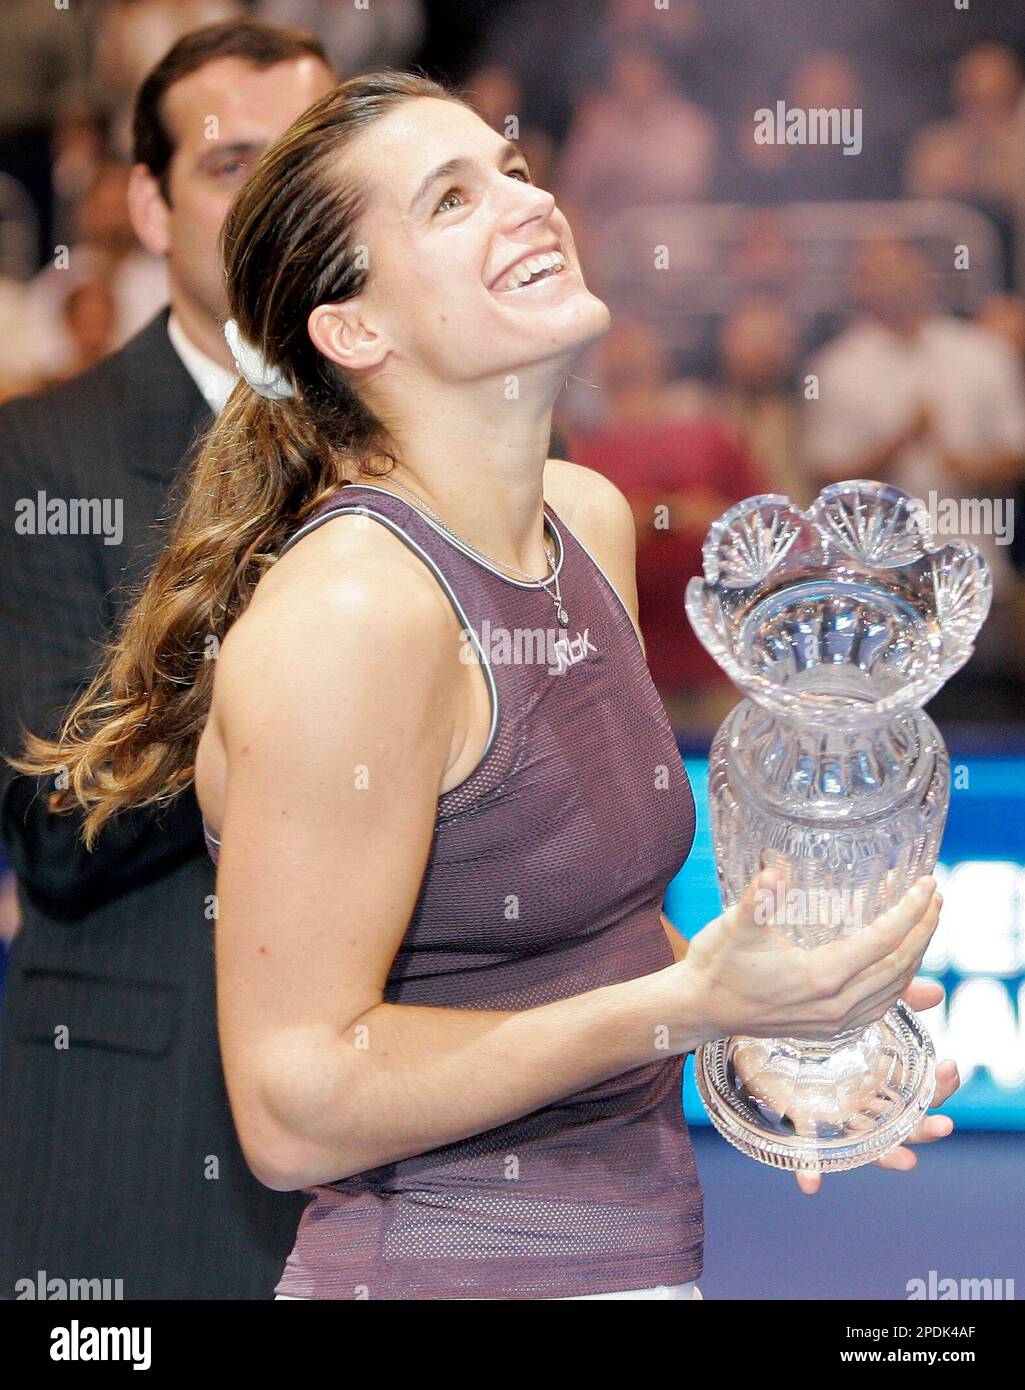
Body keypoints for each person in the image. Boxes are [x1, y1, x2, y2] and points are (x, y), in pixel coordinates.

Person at [10, 72, 957, 1301]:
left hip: (642, 1264)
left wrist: (754, 1020)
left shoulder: (586, 517)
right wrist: (679, 1006)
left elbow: (579, 945)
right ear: (352, 330)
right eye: (448, 202)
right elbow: (294, 1105)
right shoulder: (354, 612)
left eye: (508, 172)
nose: (527, 203)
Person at [0, 20, 337, 1301]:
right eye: (225, 164)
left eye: (298, 160)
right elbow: (55, 822)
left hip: (432, 1146)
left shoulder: (439, 448)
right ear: (147, 204)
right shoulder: (39, 460)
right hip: (144, 1134)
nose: (266, 204)